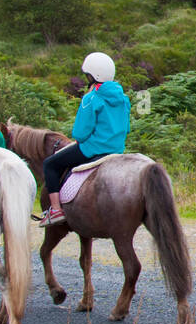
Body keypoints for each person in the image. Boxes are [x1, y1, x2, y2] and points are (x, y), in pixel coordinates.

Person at [39, 52, 130, 226]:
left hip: (92, 149)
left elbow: (80, 134)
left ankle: (56, 210)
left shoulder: (91, 98)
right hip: (117, 149)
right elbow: (126, 128)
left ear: (92, 76)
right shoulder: (123, 98)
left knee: (50, 164)